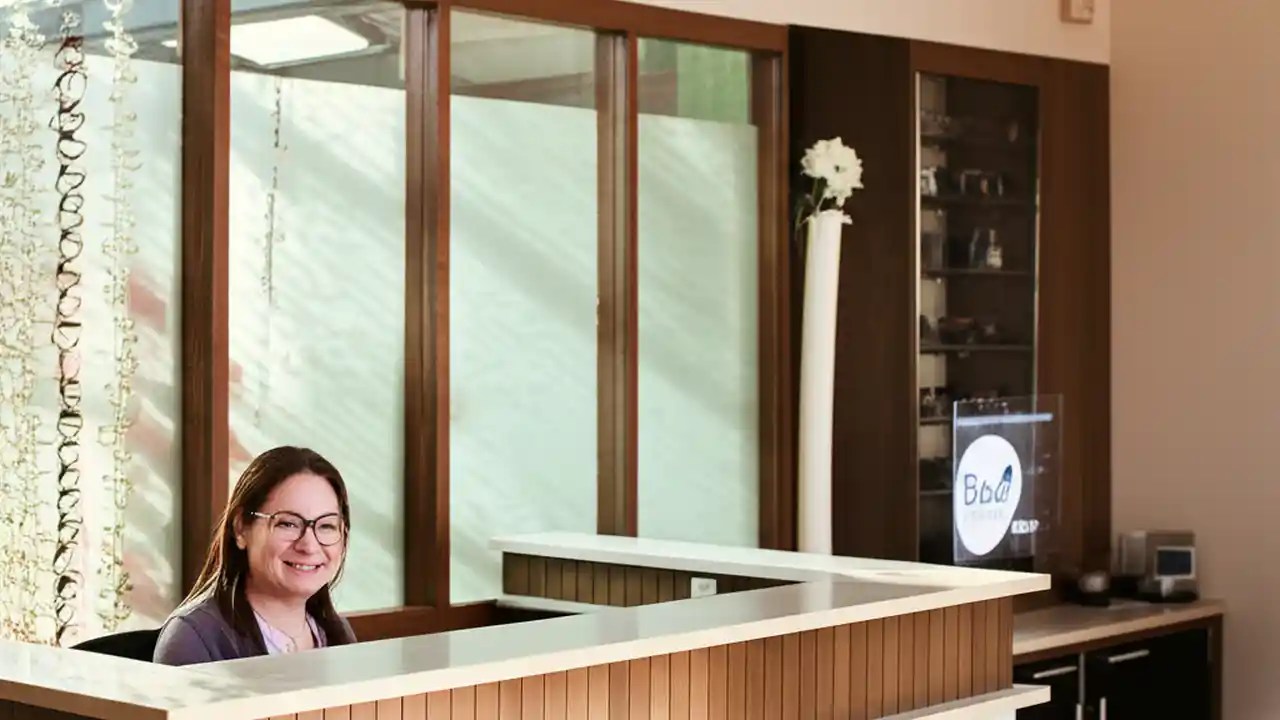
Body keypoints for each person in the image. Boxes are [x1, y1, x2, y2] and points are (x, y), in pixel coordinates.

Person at [153, 446, 357, 665]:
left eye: (326, 526)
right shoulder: (194, 640)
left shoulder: (336, 633)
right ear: (241, 528)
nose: (309, 545)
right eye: (287, 523)